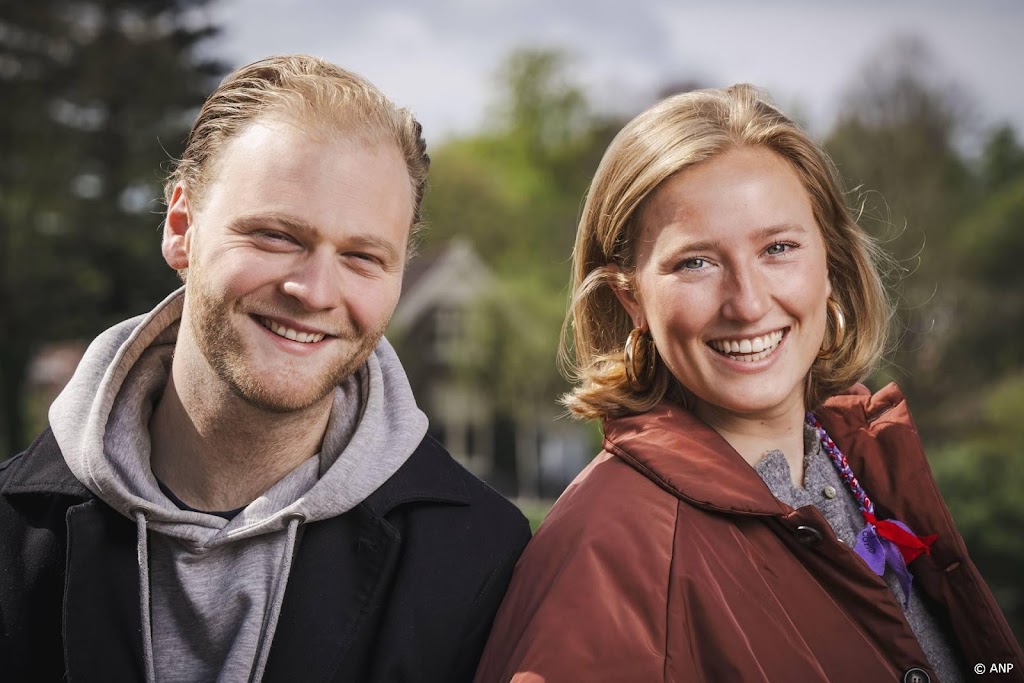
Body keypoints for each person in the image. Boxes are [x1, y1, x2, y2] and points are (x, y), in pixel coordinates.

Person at [0, 55, 531, 682]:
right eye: (277, 236)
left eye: (362, 257)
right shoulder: (10, 535)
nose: (314, 290)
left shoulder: (480, 558)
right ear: (181, 227)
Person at [474, 84, 1022, 683]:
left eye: (779, 248)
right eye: (696, 263)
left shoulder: (866, 469)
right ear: (630, 299)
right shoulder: (609, 548)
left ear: (831, 266)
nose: (749, 302)